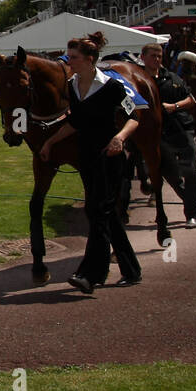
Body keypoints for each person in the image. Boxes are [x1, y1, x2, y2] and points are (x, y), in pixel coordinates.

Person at [39, 32, 145, 293]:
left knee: (97, 213)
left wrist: (120, 138)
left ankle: (90, 274)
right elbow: (76, 122)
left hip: (109, 157)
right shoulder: (73, 87)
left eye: (73, 57)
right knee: (103, 214)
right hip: (86, 157)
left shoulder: (111, 86)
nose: (69, 61)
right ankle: (132, 270)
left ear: (89, 59)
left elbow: (135, 116)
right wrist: (50, 142)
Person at [140, 42, 196, 228]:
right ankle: (188, 200)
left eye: (159, 56)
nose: (157, 60)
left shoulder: (172, 78)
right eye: (153, 56)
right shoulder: (138, 80)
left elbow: (191, 99)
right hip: (158, 135)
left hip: (181, 130)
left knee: (189, 171)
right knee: (170, 175)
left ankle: (191, 214)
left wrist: (174, 107)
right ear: (143, 57)